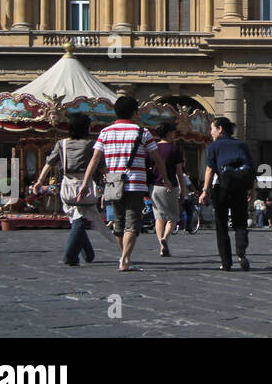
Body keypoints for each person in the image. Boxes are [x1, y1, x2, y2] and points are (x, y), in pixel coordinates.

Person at [78, 95, 169, 272]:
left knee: (118, 223)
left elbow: (95, 159)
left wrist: (85, 183)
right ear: (134, 112)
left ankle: (124, 256)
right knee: (132, 223)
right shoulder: (143, 133)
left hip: (113, 184)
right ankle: (125, 259)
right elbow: (157, 158)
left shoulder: (105, 132)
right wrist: (165, 177)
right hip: (136, 184)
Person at [32, 114, 120, 266]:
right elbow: (100, 166)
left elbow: (50, 163)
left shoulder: (62, 144)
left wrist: (40, 181)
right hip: (85, 185)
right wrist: (115, 178)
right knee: (79, 219)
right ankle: (70, 256)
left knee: (76, 216)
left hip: (68, 184)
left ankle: (87, 254)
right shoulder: (90, 144)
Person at [200, 116, 255, 270]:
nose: (210, 132)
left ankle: (226, 262)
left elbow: (210, 170)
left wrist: (205, 191)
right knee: (240, 222)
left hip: (221, 187)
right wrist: (252, 189)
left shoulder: (214, 146)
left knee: (222, 224)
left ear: (220, 129)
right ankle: (241, 250)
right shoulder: (241, 145)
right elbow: (251, 168)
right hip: (240, 187)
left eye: (212, 128)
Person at [149, 121, 187, 258]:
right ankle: (165, 238)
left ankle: (161, 246)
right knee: (172, 218)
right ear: (169, 133)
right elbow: (179, 172)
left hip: (154, 186)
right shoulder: (174, 149)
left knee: (159, 217)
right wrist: (183, 189)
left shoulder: (152, 148)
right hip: (170, 186)